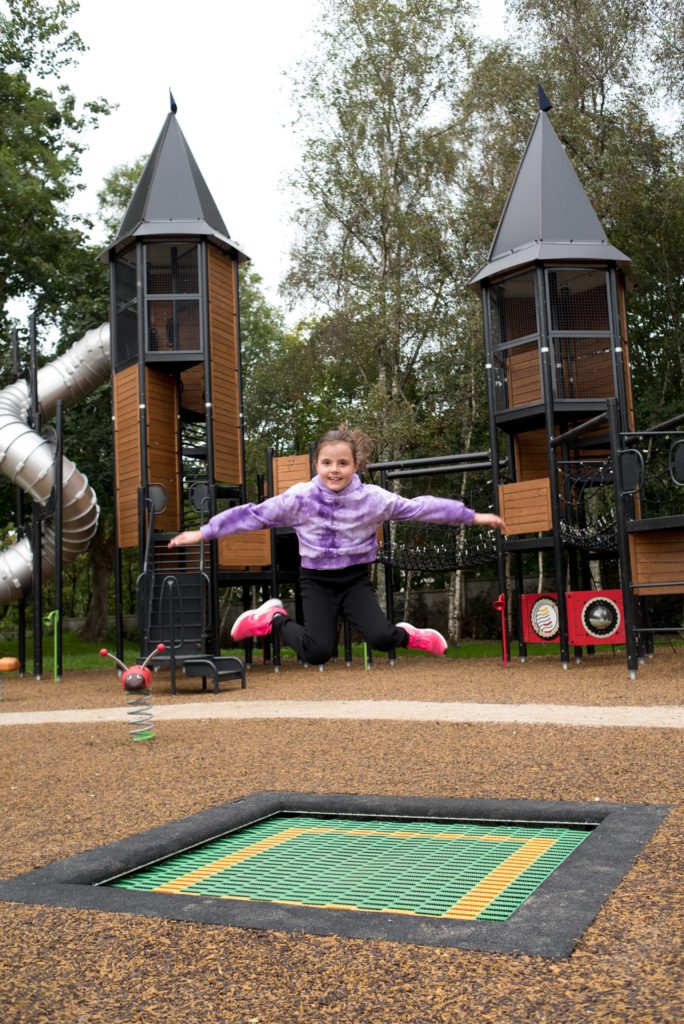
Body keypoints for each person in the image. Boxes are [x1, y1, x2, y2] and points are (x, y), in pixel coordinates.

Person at [168, 427, 506, 664]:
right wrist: (205, 532)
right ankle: (272, 618)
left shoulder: (374, 499)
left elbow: (421, 507)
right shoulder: (300, 498)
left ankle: (407, 634)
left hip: (354, 580)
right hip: (315, 581)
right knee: (317, 653)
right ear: (316, 464)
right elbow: (255, 515)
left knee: (380, 638)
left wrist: (472, 516)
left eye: (342, 463)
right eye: (327, 463)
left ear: (354, 466)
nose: (334, 470)